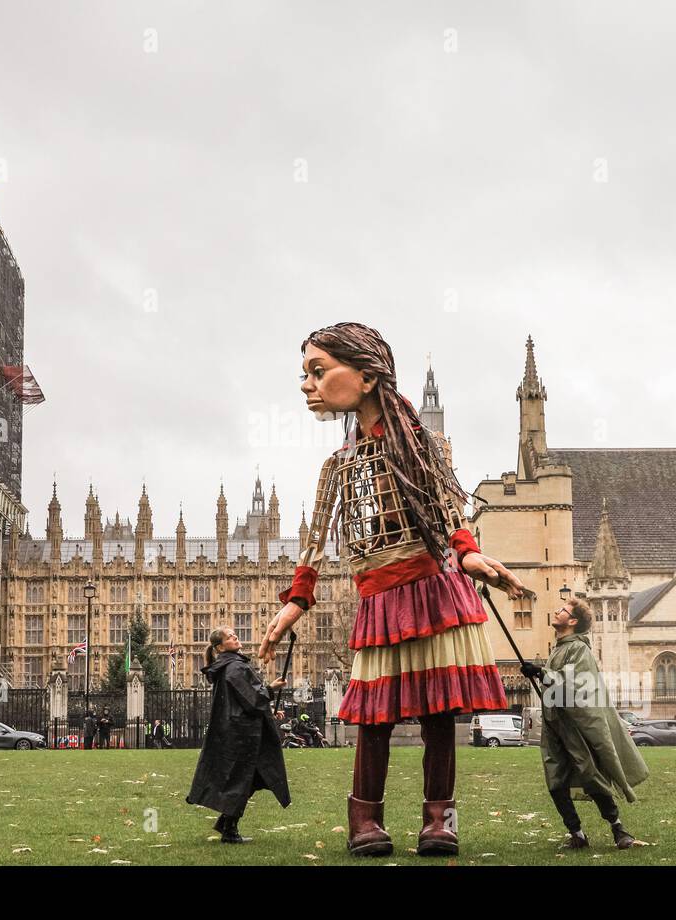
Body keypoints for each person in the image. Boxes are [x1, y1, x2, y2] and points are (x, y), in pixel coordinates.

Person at [259, 323, 524, 858]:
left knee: (438, 715)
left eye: (317, 371)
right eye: (305, 374)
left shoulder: (421, 444)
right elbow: (313, 545)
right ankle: (366, 822)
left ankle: (438, 820)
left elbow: (449, 508)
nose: (306, 385)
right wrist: (295, 601)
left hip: (433, 589)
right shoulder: (338, 465)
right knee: (375, 717)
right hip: (379, 598)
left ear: (364, 376)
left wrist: (467, 552)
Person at [523, 597, 649, 851]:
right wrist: (539, 675)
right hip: (554, 724)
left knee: (591, 775)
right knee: (555, 780)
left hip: (574, 725)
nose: (556, 611)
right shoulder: (558, 648)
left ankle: (618, 828)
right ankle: (577, 834)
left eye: (563, 610)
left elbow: (575, 681)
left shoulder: (579, 649)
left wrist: (541, 673)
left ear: (572, 621)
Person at [188, 626, 290, 843]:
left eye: (234, 634)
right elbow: (251, 697)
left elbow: (242, 700)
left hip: (239, 731)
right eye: (229, 636)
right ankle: (229, 828)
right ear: (220, 646)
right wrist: (271, 689)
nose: (235, 636)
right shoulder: (233, 667)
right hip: (243, 735)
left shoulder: (229, 665)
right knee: (244, 779)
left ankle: (227, 823)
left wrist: (268, 708)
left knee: (249, 778)